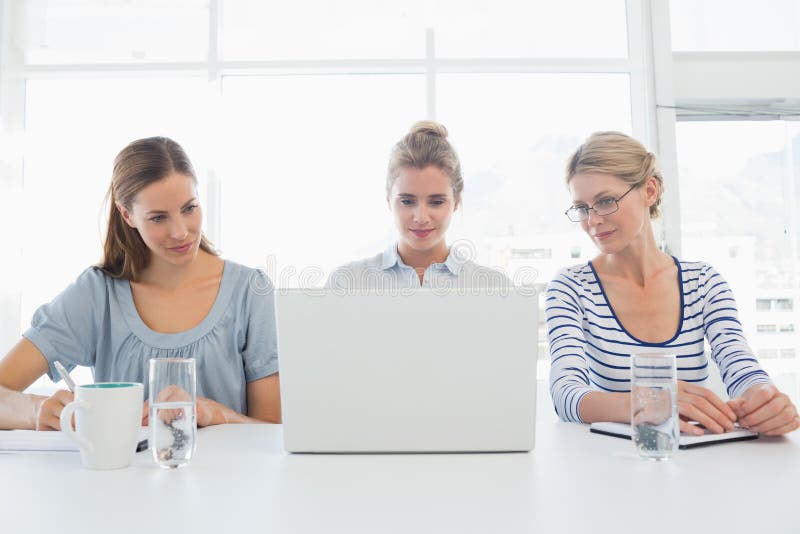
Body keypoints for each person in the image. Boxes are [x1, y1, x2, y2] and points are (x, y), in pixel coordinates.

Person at [0, 137, 281, 430]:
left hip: (229, 464)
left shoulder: (250, 291)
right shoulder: (97, 294)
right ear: (127, 215)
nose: (180, 232)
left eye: (189, 208)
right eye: (158, 218)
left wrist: (214, 414)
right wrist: (36, 411)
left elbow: (271, 431)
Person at [545, 131, 799, 436]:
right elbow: (566, 394)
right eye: (582, 208)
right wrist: (644, 404)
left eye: (606, 201)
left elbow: (740, 366)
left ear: (649, 191)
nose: (592, 221)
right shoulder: (571, 288)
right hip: (610, 458)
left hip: (695, 454)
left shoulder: (703, 282)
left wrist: (766, 401)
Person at [327, 120, 509, 290]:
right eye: (407, 201)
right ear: (389, 200)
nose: (421, 218)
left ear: (456, 202)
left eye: (436, 202)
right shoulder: (347, 283)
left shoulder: (495, 287)